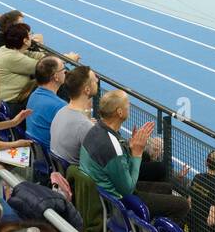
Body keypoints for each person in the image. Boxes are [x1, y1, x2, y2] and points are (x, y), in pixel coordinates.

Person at [79, 90, 190, 222]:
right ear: (119, 112)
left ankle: (151, 221)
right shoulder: (111, 146)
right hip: (116, 201)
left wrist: (130, 149)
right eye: (127, 105)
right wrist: (137, 153)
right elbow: (127, 188)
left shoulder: (95, 129)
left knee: (167, 188)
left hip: (100, 191)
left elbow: (119, 166)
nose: (129, 107)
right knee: (182, 205)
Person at [50, 65, 98, 162]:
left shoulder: (61, 111)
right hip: (71, 174)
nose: (97, 81)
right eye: (94, 80)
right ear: (87, 90)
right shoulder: (85, 126)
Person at [0, 22, 39, 110]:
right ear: (25, 41)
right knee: (47, 83)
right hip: (7, 105)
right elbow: (45, 68)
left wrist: (45, 56)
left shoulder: (5, 49)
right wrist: (65, 59)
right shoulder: (13, 58)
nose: (32, 37)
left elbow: (29, 54)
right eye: (30, 34)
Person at [24, 55, 67, 147]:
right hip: (50, 156)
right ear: (56, 76)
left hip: (37, 151)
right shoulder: (60, 106)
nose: (65, 72)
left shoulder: (34, 95)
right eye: (63, 69)